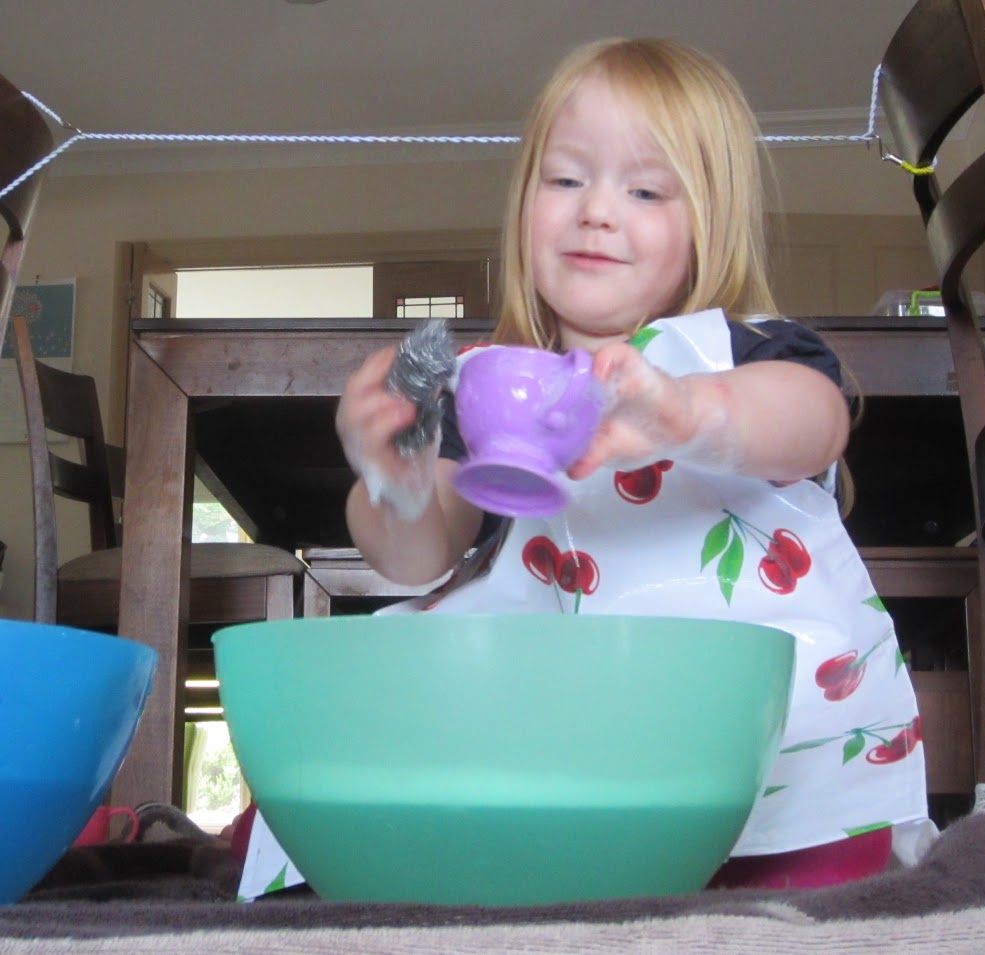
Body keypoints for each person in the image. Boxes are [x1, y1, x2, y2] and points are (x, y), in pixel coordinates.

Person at [335, 37, 927, 890]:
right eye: (566, 179)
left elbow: (815, 423)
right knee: (390, 686)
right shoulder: (495, 391)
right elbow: (420, 556)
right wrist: (391, 481)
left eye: (645, 189)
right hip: (571, 764)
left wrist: (692, 415)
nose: (596, 212)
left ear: (707, 222)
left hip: (766, 751)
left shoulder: (745, 349)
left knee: (818, 868)